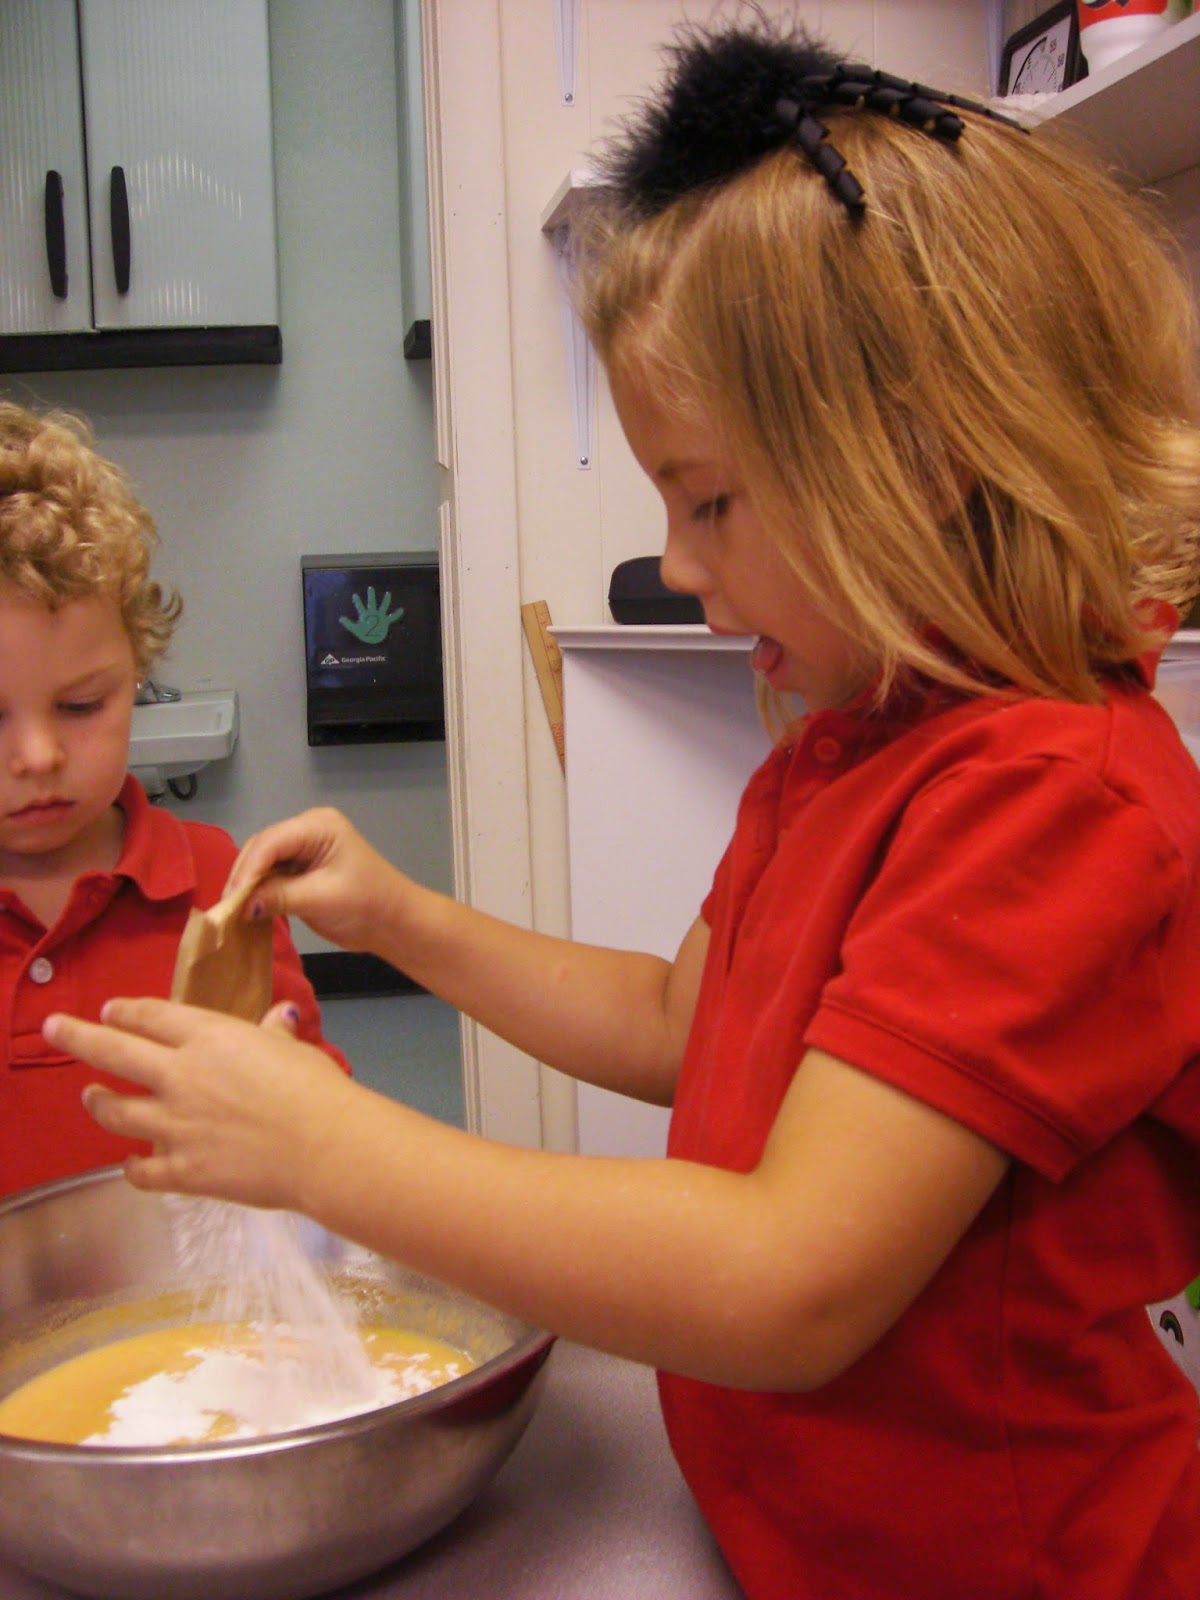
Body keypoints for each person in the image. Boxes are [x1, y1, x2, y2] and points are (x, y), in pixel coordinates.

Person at [46, 15, 1200, 1599]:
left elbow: (791, 1279)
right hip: (790, 1543)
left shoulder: (1054, 801)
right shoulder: (847, 748)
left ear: (920, 455)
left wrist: (330, 1148)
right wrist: (405, 917)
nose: (672, 558)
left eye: (708, 495)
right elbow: (677, 1018)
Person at [0, 399, 348, 1198]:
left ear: (138, 672)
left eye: (83, 705)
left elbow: (314, 1111)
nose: (39, 756)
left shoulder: (217, 885)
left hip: (190, 1304)